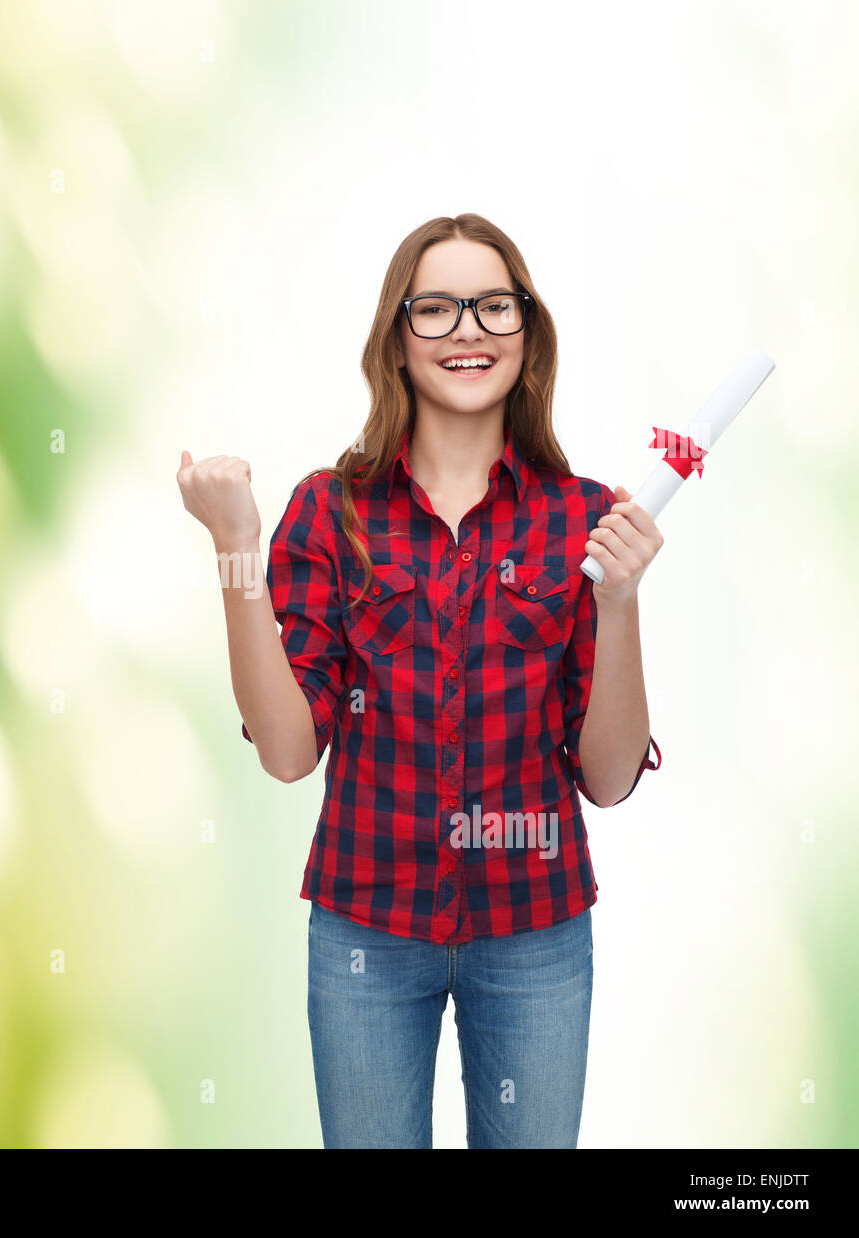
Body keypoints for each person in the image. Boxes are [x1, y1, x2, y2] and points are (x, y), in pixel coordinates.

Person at [176, 214, 663, 1148]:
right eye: (434, 309)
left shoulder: (586, 520)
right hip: (367, 930)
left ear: (529, 332)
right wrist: (236, 547)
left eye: (492, 307)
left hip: (534, 934)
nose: (467, 330)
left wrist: (621, 602)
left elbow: (605, 779)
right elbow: (285, 753)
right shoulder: (331, 510)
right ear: (396, 342)